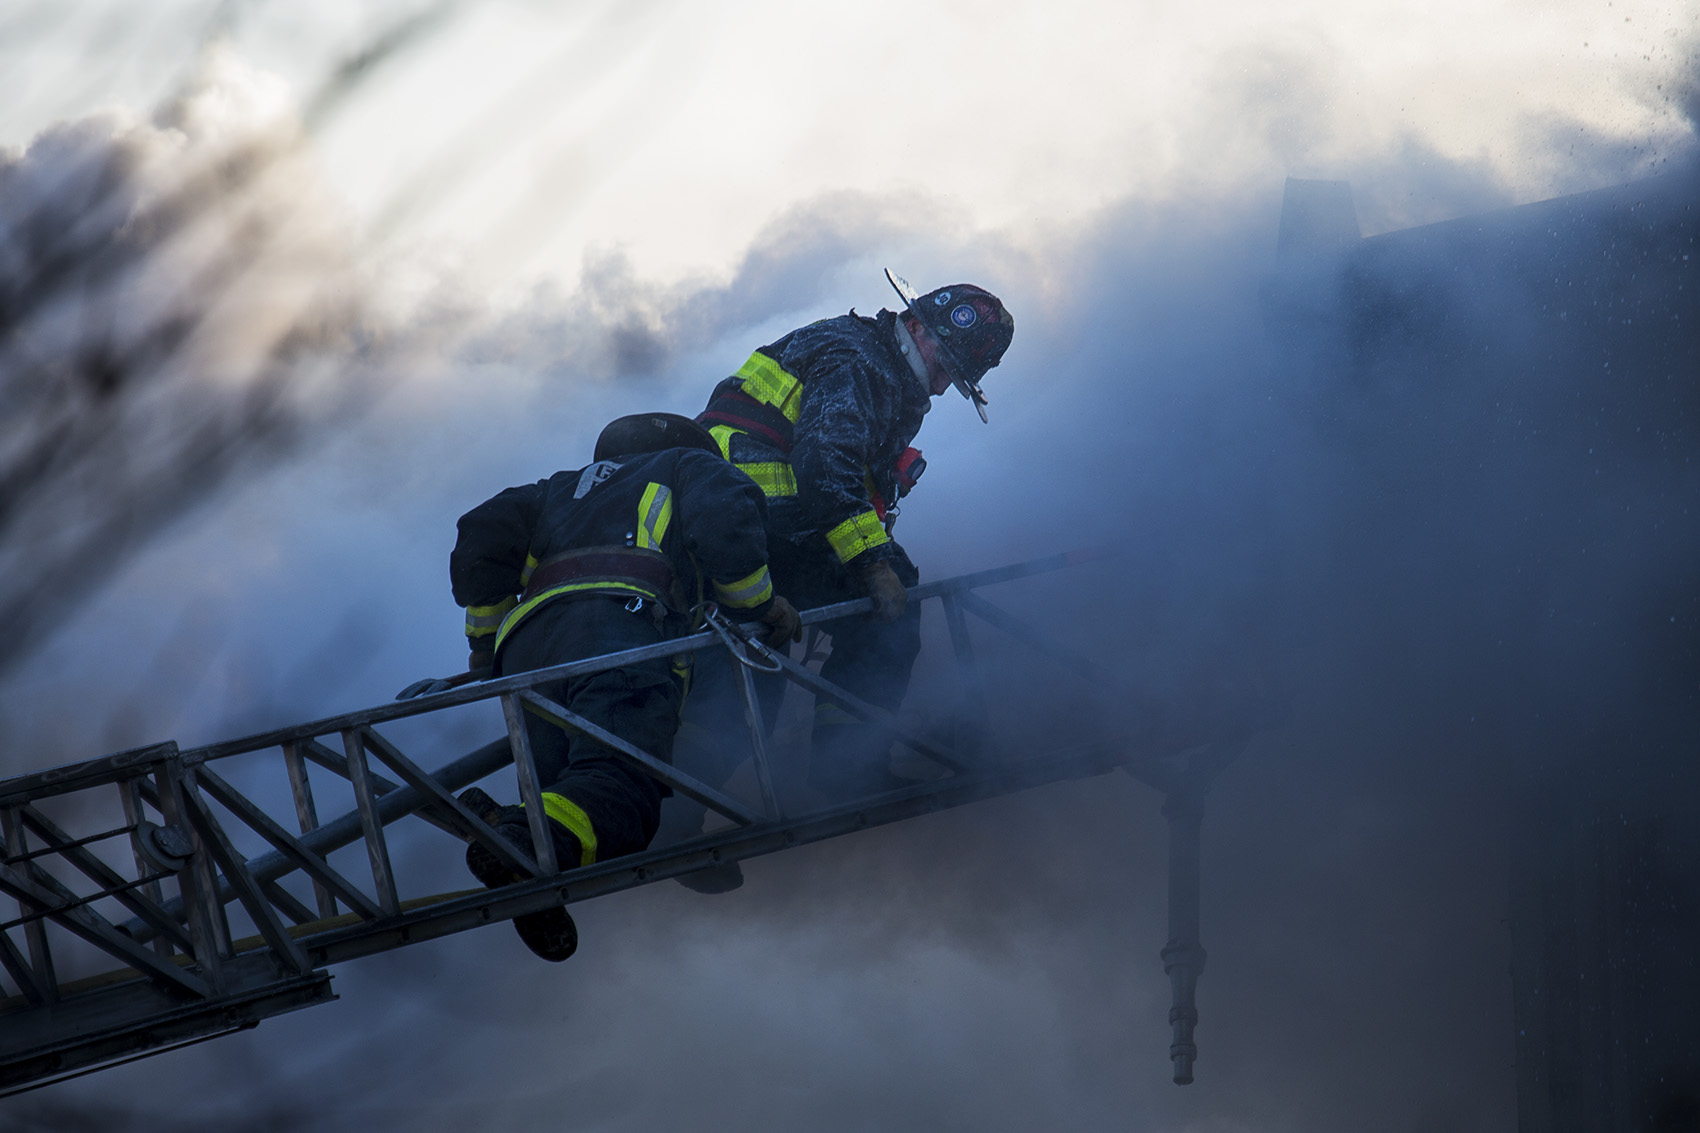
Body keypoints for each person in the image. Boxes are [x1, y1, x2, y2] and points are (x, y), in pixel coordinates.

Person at [657, 270, 1014, 877]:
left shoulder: (867, 355)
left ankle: (674, 823)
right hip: (770, 517)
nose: (945, 381)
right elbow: (825, 463)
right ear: (921, 333)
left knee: (749, 679)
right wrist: (873, 561)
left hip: (725, 525)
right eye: (949, 364)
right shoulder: (864, 365)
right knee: (889, 615)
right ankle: (846, 767)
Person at [449, 412, 800, 959]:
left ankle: (517, 850)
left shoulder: (555, 490)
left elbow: (481, 536)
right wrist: (757, 604)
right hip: (617, 630)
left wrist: (484, 645)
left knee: (565, 791)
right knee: (623, 790)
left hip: (526, 653)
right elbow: (726, 515)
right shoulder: (684, 466)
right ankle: (517, 838)